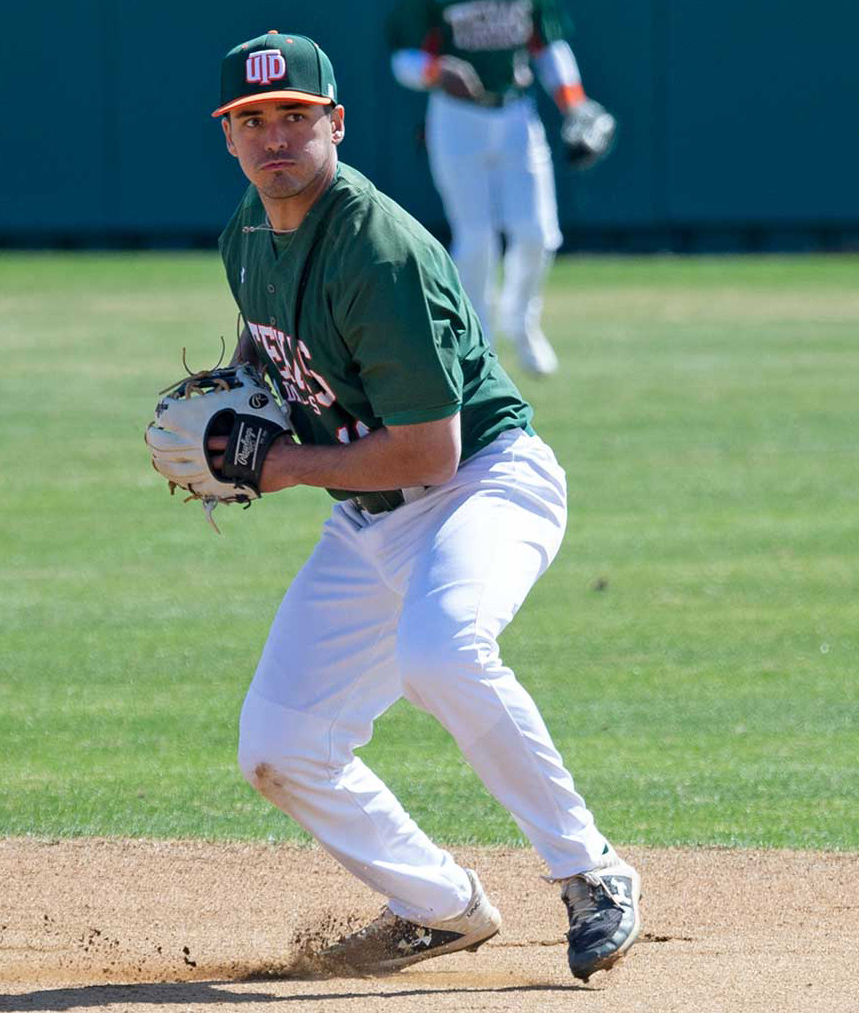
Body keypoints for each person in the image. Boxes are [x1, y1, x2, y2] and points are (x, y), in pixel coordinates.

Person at [206, 30, 640, 981]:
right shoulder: (247, 229)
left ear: (336, 124)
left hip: (485, 482)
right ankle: (440, 907)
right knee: (279, 746)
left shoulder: (379, 250)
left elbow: (433, 450)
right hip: (369, 511)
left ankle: (591, 871)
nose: (274, 138)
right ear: (228, 135)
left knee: (443, 649)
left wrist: (273, 464)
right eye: (251, 120)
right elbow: (272, 347)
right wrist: (229, 403)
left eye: (294, 116)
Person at [385, 0, 603, 377]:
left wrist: (574, 102)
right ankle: (478, 343)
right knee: (476, 238)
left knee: (538, 233)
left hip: (516, 113)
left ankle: (521, 322)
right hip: (456, 118)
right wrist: (436, 71)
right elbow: (402, 57)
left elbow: (547, 43)